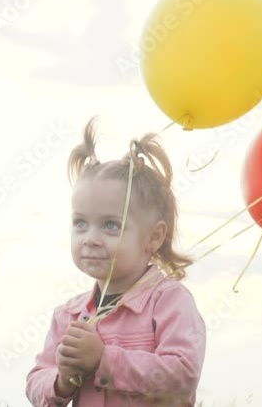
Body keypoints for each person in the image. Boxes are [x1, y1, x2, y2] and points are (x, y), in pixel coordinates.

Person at [25, 117, 206, 406]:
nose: (91, 239)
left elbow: (183, 376)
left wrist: (104, 360)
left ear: (154, 237)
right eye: (80, 223)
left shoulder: (168, 301)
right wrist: (62, 380)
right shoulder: (69, 316)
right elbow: (36, 381)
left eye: (111, 226)